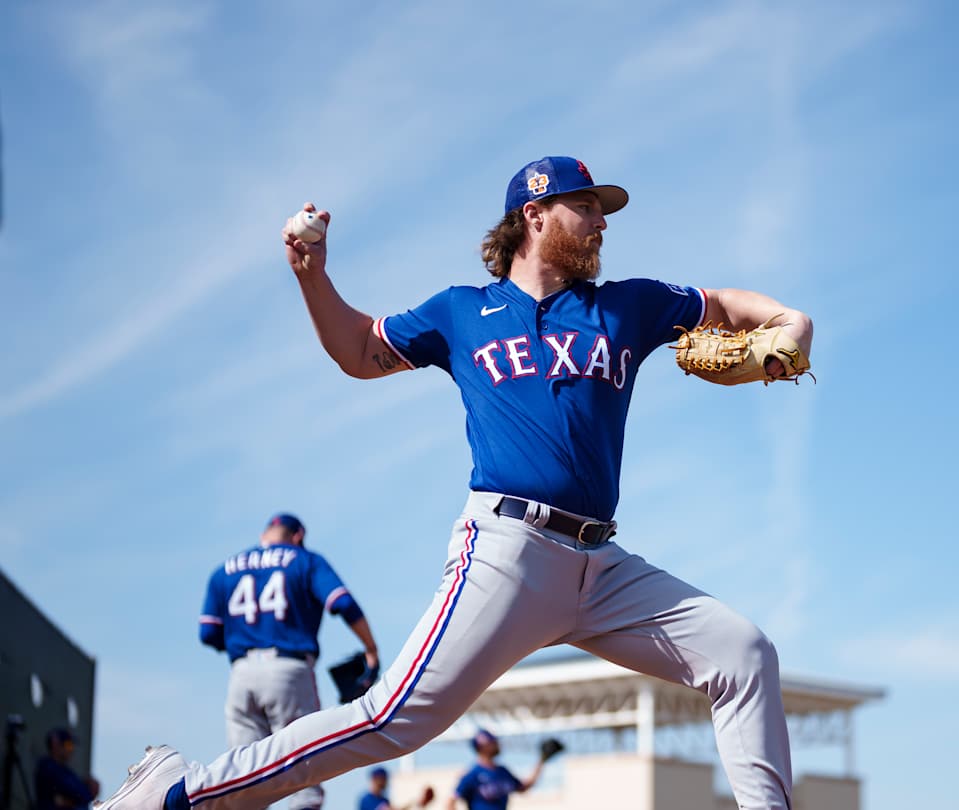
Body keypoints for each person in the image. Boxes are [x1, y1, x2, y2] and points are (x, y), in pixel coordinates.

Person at [95, 156, 813, 810]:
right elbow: (358, 350)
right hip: (510, 550)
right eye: (586, 206)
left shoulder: (628, 305)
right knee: (392, 719)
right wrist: (312, 276)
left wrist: (792, 321)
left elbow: (725, 304)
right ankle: (178, 794)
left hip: (604, 566)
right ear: (535, 215)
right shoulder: (461, 312)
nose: (600, 222)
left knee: (742, 653)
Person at [196, 513, 380, 810]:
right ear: (298, 536)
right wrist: (370, 647)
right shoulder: (305, 560)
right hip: (288, 669)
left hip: (241, 674)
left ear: (265, 533)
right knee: (303, 764)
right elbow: (343, 603)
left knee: (243, 775)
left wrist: (241, 643)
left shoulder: (224, 570)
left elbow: (207, 633)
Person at [446, 731, 543, 810]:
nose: (497, 744)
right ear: (483, 747)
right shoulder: (472, 775)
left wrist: (542, 761)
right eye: (493, 742)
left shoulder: (502, 771)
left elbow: (523, 787)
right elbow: (451, 802)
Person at [34, 728, 98, 810]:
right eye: (68, 745)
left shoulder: (64, 770)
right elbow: (76, 792)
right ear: (55, 744)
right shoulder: (48, 767)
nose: (71, 750)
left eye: (72, 746)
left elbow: (85, 795)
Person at [358, 767, 431, 810]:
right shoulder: (366, 799)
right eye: (383, 779)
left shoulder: (385, 800)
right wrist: (414, 802)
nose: (386, 782)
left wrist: (416, 802)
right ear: (375, 779)